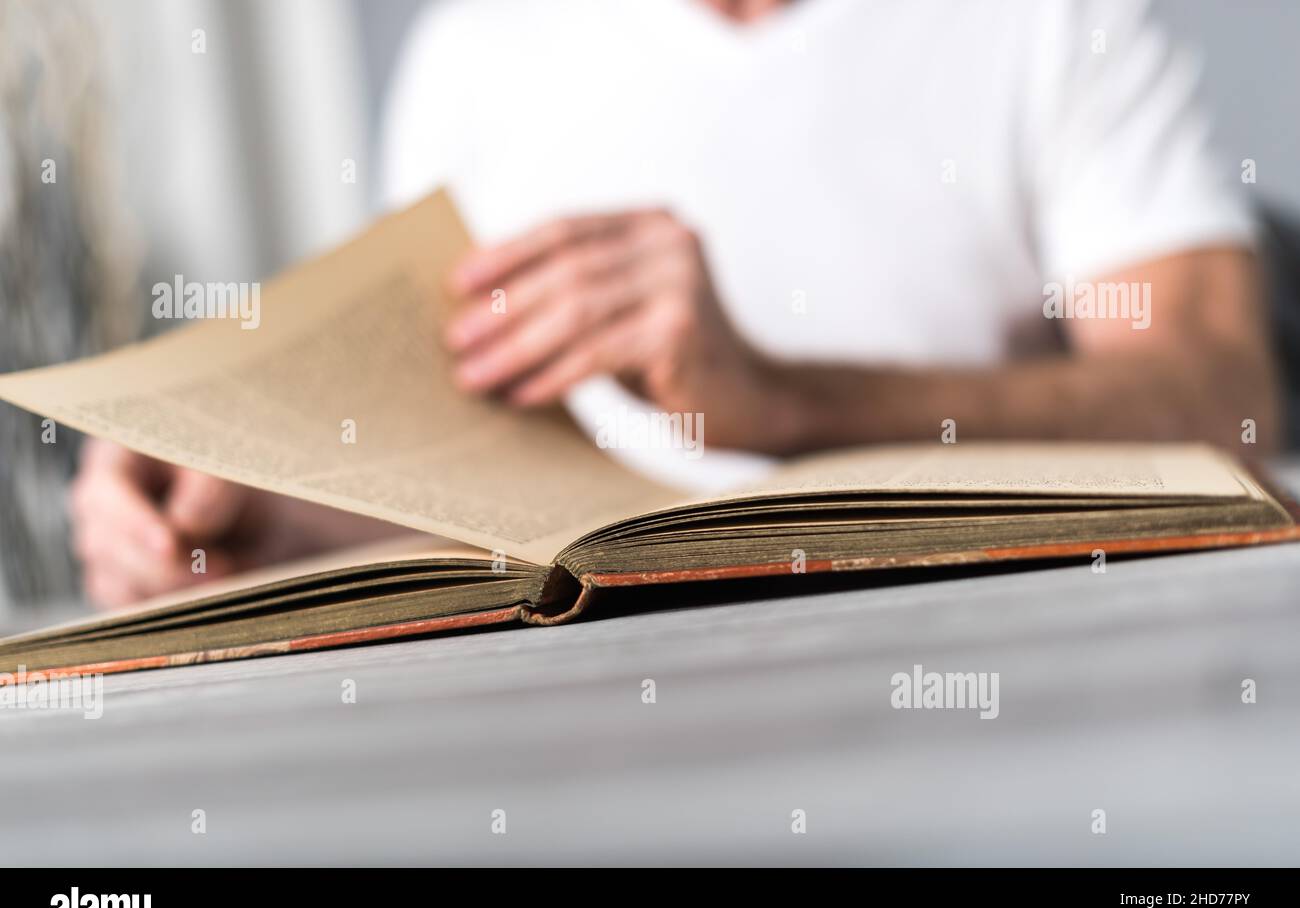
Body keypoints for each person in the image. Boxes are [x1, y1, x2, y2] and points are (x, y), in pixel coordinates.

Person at [71, 0, 1281, 608]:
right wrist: (247, 514)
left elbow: (1221, 398)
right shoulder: (480, 50)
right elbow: (463, 468)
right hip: (583, 695)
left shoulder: (1046, 23)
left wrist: (781, 399)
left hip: (981, 641)